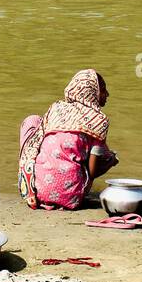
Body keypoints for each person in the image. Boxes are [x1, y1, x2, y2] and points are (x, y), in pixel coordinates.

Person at [18, 70, 118, 210]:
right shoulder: (99, 120)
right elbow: (93, 171)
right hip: (73, 199)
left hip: (39, 193)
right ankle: (71, 188)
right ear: (92, 92)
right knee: (107, 156)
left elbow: (36, 144)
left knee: (32, 122)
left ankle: (29, 190)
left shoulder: (56, 108)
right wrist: (110, 160)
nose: (107, 95)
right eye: (103, 90)